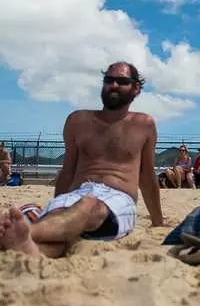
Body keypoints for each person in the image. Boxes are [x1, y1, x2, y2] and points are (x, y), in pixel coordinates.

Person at [0, 62, 164, 258]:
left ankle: (29, 231)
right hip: (76, 193)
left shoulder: (143, 124)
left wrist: (157, 222)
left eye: (121, 81)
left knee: (89, 205)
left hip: (118, 198)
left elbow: (146, 176)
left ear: (135, 88)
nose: (113, 85)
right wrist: (57, 203)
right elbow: (68, 170)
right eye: (108, 80)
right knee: (61, 223)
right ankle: (29, 248)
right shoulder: (77, 121)